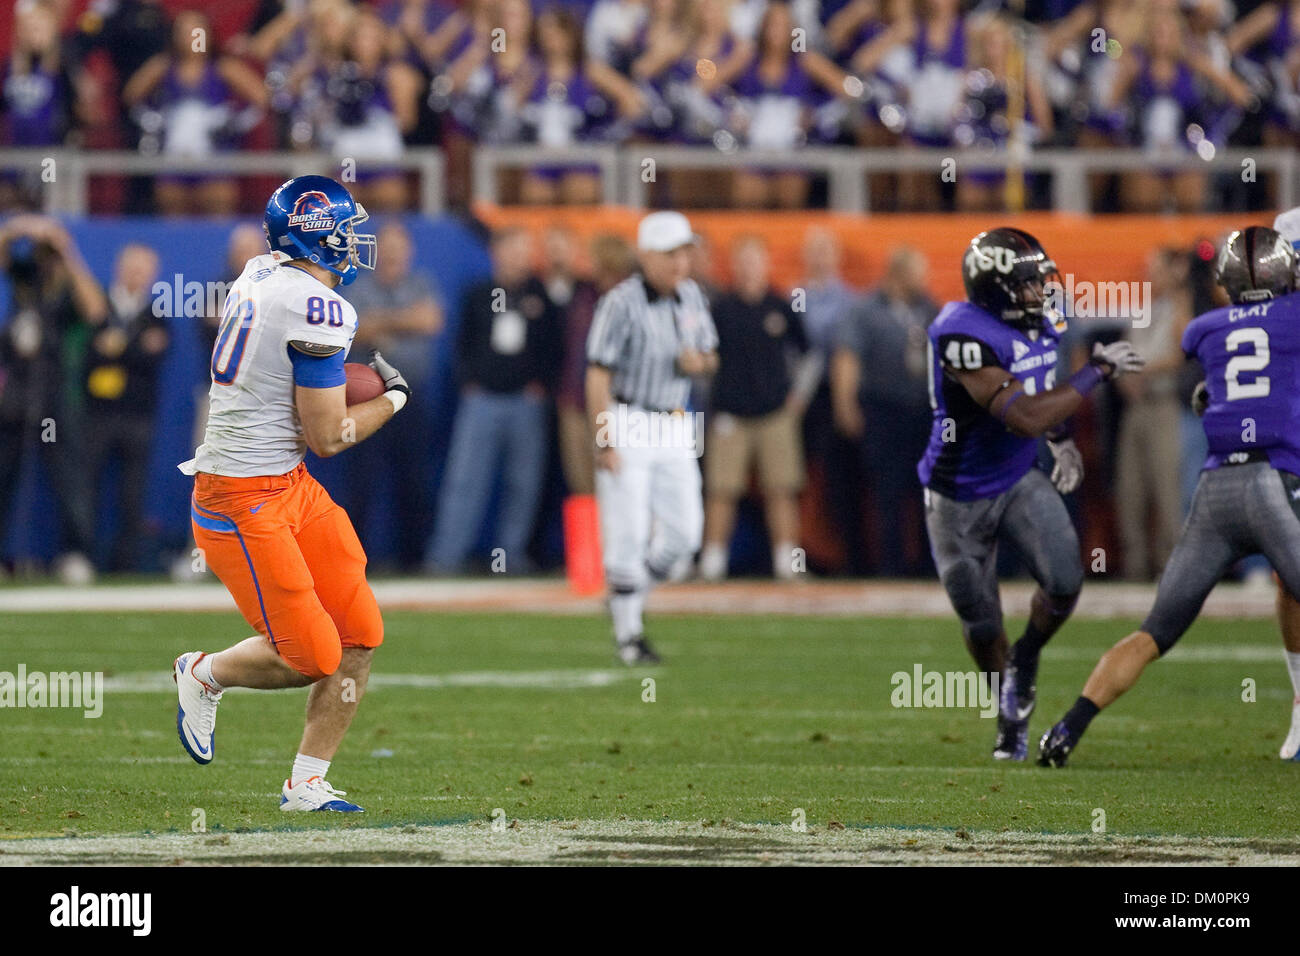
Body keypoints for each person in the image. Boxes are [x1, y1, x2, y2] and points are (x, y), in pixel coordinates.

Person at [173, 175, 411, 813]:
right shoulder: (320, 307)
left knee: (360, 632)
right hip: (240, 496)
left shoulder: (259, 270)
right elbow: (329, 435)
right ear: (320, 236)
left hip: (286, 482)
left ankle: (305, 783)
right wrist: (391, 398)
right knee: (311, 654)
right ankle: (203, 673)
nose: (356, 242)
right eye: (346, 229)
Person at [1039, 227, 1300, 767]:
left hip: (1215, 491)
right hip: (1273, 483)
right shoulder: (1292, 315)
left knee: (1153, 632)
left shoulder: (1206, 328)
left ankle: (1066, 730)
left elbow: (1225, 381)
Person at [918, 227, 1145, 760]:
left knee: (1065, 581)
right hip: (958, 493)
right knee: (980, 618)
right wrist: (1098, 371)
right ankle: (1009, 707)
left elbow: (1040, 386)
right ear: (994, 289)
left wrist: (1061, 439)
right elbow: (1021, 415)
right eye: (1026, 284)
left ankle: (1028, 655)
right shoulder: (962, 333)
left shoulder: (1047, 315)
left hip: (1017, 477)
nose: (1041, 291)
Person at [586, 210, 717, 663]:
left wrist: (696, 363)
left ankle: (626, 594)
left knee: (685, 535)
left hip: (676, 422)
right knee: (628, 532)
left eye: (685, 251)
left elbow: (710, 357)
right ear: (647, 256)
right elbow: (598, 372)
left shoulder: (692, 296)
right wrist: (604, 437)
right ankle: (629, 636)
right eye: (671, 253)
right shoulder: (620, 302)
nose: (681, 262)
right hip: (628, 417)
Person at [426, 227, 562, 574]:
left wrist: (540, 384)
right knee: (466, 480)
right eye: (513, 250)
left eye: (524, 251)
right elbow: (461, 341)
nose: (519, 258)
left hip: (525, 402)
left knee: (523, 483)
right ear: (497, 254)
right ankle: (447, 557)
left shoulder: (540, 294)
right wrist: (470, 381)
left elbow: (553, 346)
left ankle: (510, 557)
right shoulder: (478, 292)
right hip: (483, 399)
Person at [700, 234, 814, 581]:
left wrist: (798, 396)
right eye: (743, 262)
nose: (750, 269)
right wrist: (713, 401)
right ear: (734, 266)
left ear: (766, 264)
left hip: (775, 412)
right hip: (730, 415)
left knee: (781, 490)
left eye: (755, 261)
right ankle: (712, 563)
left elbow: (808, 352)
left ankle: (788, 564)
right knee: (721, 490)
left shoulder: (782, 304)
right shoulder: (720, 308)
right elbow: (704, 358)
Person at [0, 215, 107, 584]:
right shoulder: (27, 279)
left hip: (58, 394)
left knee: (69, 477)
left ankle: (76, 553)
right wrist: (19, 229)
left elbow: (95, 310)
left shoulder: (67, 291)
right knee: (5, 473)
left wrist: (66, 249)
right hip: (18, 393)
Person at [342, 220, 443, 570]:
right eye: (387, 247)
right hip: (366, 401)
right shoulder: (358, 286)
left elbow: (429, 321)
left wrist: (380, 324)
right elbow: (352, 330)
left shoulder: (422, 283)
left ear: (409, 251)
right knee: (361, 482)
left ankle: (414, 560)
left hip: (411, 399)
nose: (393, 254)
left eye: (399, 247)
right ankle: (354, 561)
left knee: (413, 479)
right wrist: (404, 320)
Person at [833, 245, 938, 577]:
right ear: (898, 274)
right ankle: (889, 564)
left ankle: (928, 564)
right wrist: (846, 403)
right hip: (883, 408)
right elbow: (847, 358)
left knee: (929, 491)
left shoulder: (930, 309)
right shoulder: (865, 310)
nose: (923, 280)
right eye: (917, 274)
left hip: (924, 410)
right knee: (886, 489)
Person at [85, 243, 169, 572]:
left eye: (144, 269)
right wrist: (136, 347)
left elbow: (156, 356)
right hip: (98, 413)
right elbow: (88, 354)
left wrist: (118, 347)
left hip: (139, 416)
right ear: (120, 268)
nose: (138, 275)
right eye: (132, 267)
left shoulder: (156, 313)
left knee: (132, 494)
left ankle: (125, 563)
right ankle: (82, 556)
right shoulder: (98, 306)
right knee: (87, 487)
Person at [1114, 247, 1191, 580]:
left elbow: (1180, 354)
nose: (1151, 276)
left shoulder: (1181, 304)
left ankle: (1171, 569)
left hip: (1164, 404)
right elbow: (1123, 354)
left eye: (1158, 269)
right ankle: (1135, 568)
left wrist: (1141, 370)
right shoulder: (1142, 308)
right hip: (1136, 405)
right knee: (1130, 488)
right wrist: (1125, 378)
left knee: (1167, 488)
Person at [556, 233, 637, 496]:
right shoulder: (581, 294)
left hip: (618, 410)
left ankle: (618, 539)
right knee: (581, 487)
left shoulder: (634, 301)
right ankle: (586, 540)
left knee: (619, 485)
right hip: (576, 404)